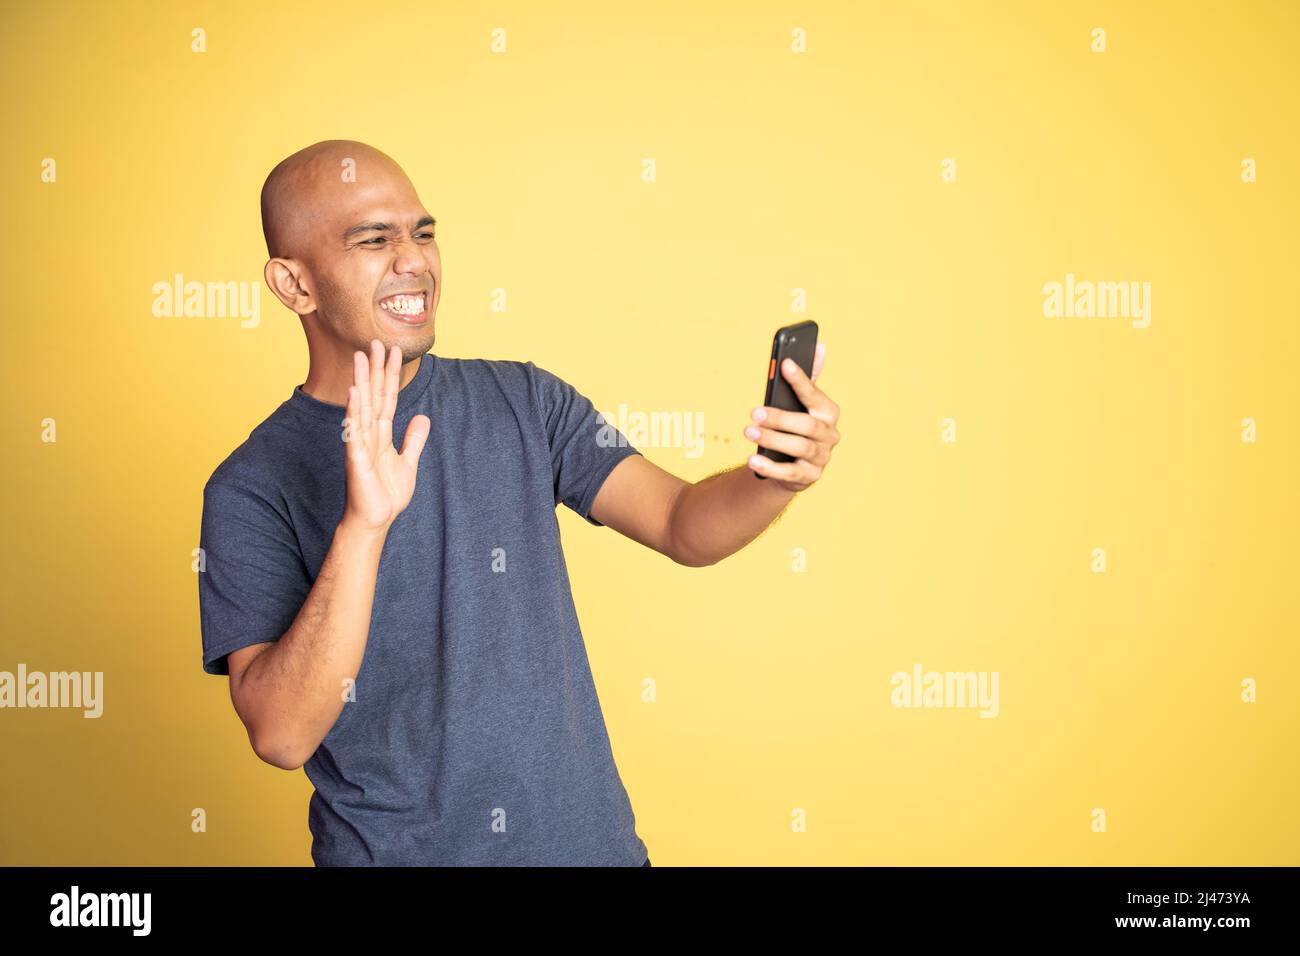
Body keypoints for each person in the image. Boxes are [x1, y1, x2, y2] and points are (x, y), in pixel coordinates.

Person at [197, 140, 841, 866]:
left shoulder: (524, 401)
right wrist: (363, 526)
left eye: (424, 232)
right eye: (374, 240)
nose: (414, 260)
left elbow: (680, 524)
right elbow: (281, 735)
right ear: (294, 285)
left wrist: (775, 476)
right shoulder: (250, 485)